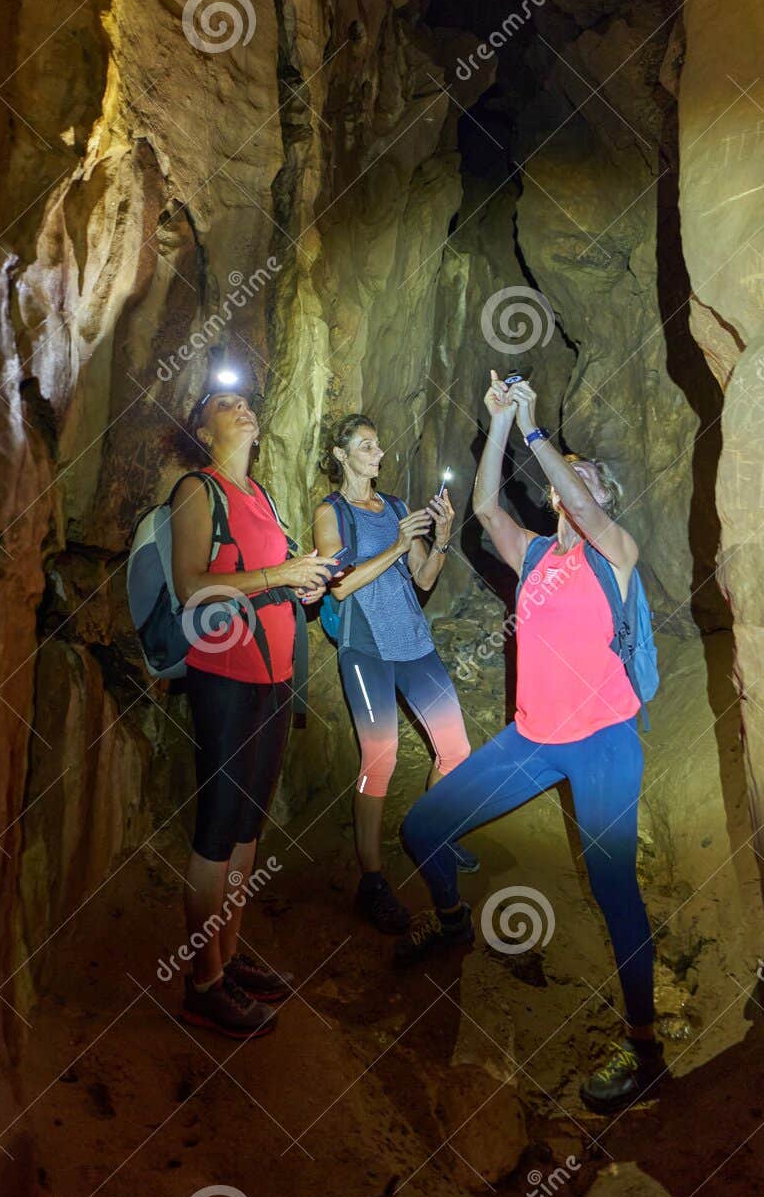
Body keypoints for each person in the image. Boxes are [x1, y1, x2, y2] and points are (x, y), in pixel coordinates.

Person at [397, 372, 665, 1111]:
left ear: (601, 499)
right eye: (563, 485)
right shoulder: (537, 558)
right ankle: (452, 921)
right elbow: (485, 506)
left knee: (615, 892)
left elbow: (579, 501)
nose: (572, 491)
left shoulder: (617, 553)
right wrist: (500, 425)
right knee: (422, 827)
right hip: (533, 741)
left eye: (586, 484)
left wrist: (538, 429)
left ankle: (645, 1049)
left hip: (606, 742)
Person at [170, 385, 337, 1038]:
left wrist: (306, 576)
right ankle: (201, 984)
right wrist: (280, 576)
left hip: (273, 678)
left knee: (247, 833)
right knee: (215, 835)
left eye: (244, 401)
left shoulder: (261, 497)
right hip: (225, 679)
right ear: (202, 430)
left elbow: (277, 572)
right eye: (221, 401)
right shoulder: (197, 490)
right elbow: (191, 586)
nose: (240, 406)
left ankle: (228, 956)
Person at [313, 414, 476, 935]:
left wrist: (442, 539)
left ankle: (433, 832)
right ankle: (372, 881)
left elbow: (424, 577)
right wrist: (397, 547)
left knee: (455, 748)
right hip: (366, 649)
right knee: (379, 759)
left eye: (379, 445)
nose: (378, 453)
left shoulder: (399, 509)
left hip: (414, 643)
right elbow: (339, 586)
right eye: (366, 446)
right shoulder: (331, 513)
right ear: (341, 455)